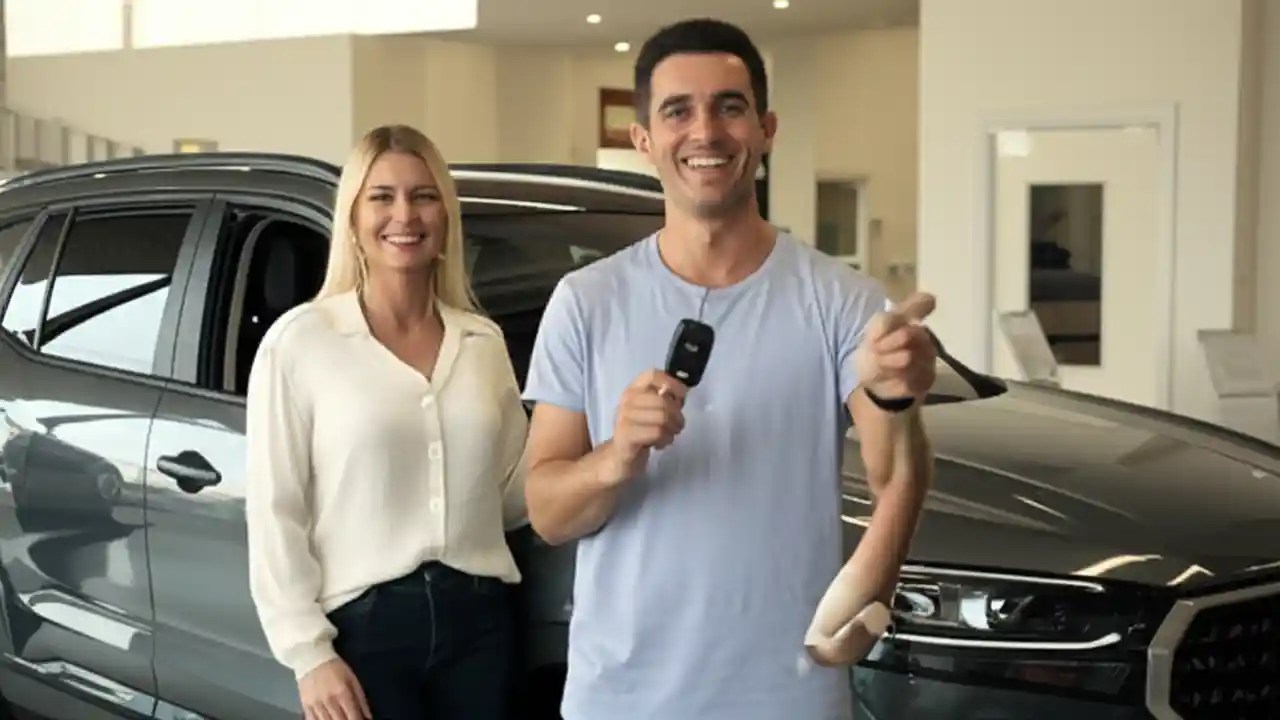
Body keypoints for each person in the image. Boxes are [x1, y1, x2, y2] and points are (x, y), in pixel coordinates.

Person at [521, 17, 936, 720]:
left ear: (767, 129)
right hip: (623, 698)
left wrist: (898, 397)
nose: (706, 131)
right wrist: (618, 454)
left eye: (730, 107)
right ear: (643, 140)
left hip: (786, 697)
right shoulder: (586, 302)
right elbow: (547, 514)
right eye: (678, 110)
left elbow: (894, 470)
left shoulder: (842, 300)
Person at [245, 124, 529, 720]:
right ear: (352, 218)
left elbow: (509, 498)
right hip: (363, 634)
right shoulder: (301, 343)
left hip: (481, 627)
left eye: (424, 195)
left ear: (445, 216)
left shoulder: (483, 344)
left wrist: (599, 442)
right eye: (383, 196)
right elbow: (276, 510)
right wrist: (308, 655)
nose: (406, 213)